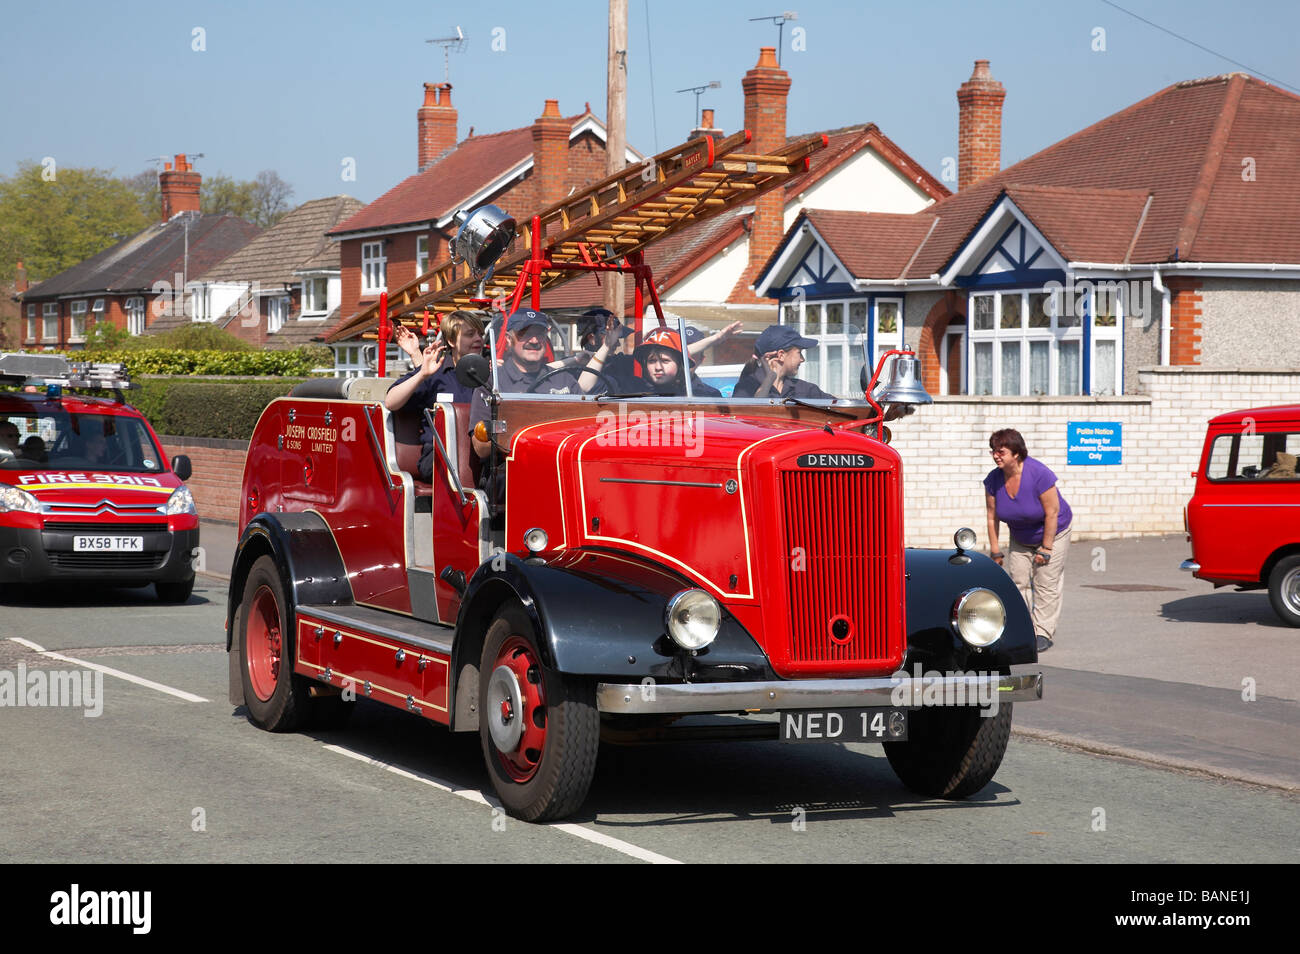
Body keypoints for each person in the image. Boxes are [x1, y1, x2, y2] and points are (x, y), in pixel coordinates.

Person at [983, 428, 1073, 652]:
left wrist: (1046, 547)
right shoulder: (993, 480)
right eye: (993, 451)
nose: (996, 455)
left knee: (1045, 582)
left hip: (1054, 531)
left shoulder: (1038, 474)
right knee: (1018, 582)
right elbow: (992, 516)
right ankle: (1024, 629)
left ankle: (1043, 632)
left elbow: (1052, 512)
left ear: (1016, 453)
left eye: (1001, 451)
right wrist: (995, 551)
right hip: (1021, 535)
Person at [470, 308, 599, 460]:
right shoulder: (492, 383)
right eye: (524, 334)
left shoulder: (565, 380)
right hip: (510, 472)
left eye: (539, 334)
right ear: (509, 339)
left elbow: (586, 431)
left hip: (560, 467)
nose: (534, 341)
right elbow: (480, 448)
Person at [384, 311, 486, 481]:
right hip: (439, 455)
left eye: (480, 334)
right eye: (470, 334)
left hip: (479, 455)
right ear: (452, 341)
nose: (478, 339)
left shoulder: (489, 375)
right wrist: (422, 374)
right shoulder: (434, 372)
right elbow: (390, 402)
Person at [732, 325, 833, 399]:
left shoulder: (805, 390)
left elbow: (840, 407)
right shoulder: (746, 387)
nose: (802, 359)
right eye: (799, 352)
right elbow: (750, 417)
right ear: (781, 355)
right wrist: (770, 378)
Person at [632, 327, 721, 397]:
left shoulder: (708, 395)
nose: (658, 367)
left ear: (680, 364)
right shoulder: (632, 390)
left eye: (665, 361)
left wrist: (719, 337)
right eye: (652, 361)